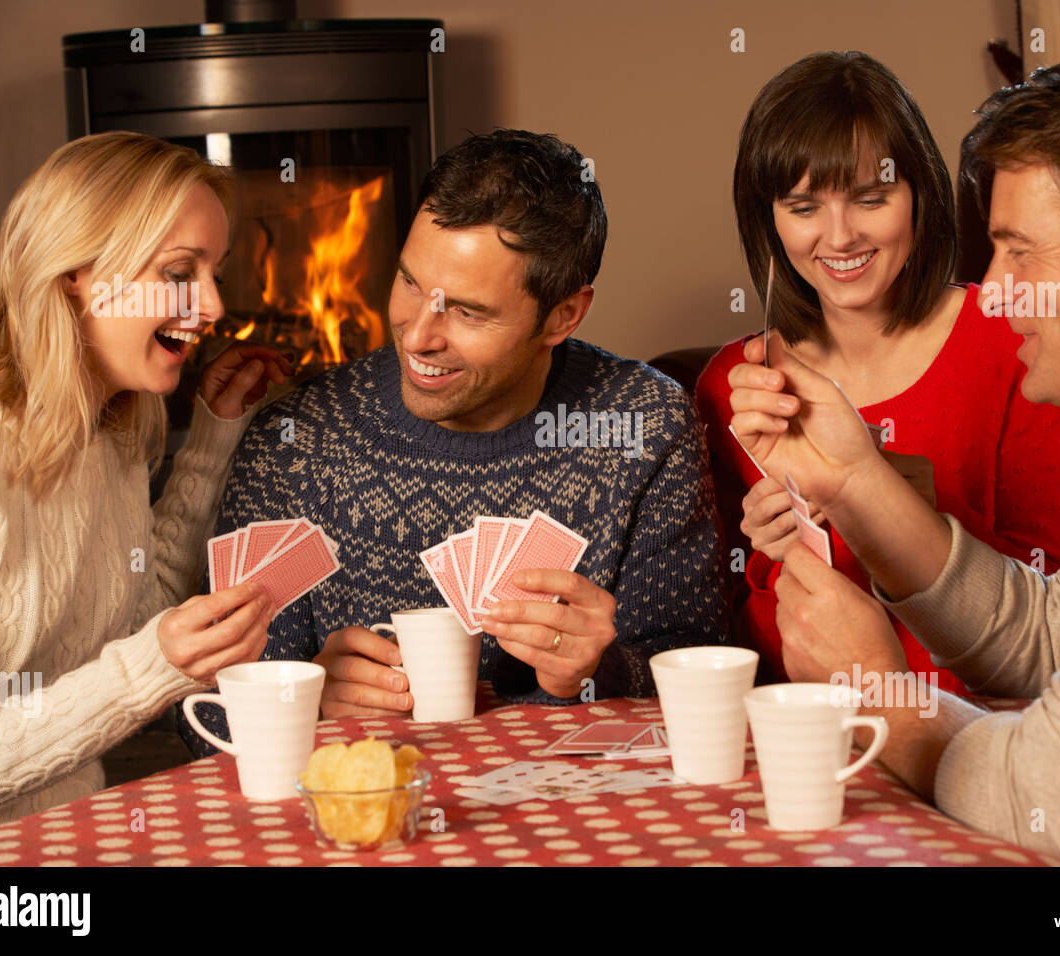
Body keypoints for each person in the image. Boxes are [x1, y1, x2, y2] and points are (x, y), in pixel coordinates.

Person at [730, 56, 1060, 866]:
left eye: (1019, 252)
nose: (995, 292)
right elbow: (1053, 632)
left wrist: (879, 697)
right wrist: (856, 480)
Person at [178, 129, 728, 755]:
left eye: (468, 312)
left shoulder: (643, 425)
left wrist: (596, 672)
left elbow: (704, 675)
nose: (418, 338)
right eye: (411, 283)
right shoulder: (299, 440)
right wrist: (306, 704)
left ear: (563, 317)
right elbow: (205, 722)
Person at [0, 131, 294, 841]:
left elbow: (135, 618)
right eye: (179, 271)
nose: (215, 305)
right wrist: (147, 670)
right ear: (76, 271)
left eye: (214, 271)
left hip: (75, 835)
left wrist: (213, 440)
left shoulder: (117, 421)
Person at [696, 51, 1060, 688]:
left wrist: (896, 508)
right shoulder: (736, 383)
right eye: (802, 208)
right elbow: (744, 653)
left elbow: (1051, 619)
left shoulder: (1012, 336)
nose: (840, 237)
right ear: (767, 219)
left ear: (918, 195)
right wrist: (774, 562)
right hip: (814, 735)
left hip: (977, 737)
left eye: (871, 199)